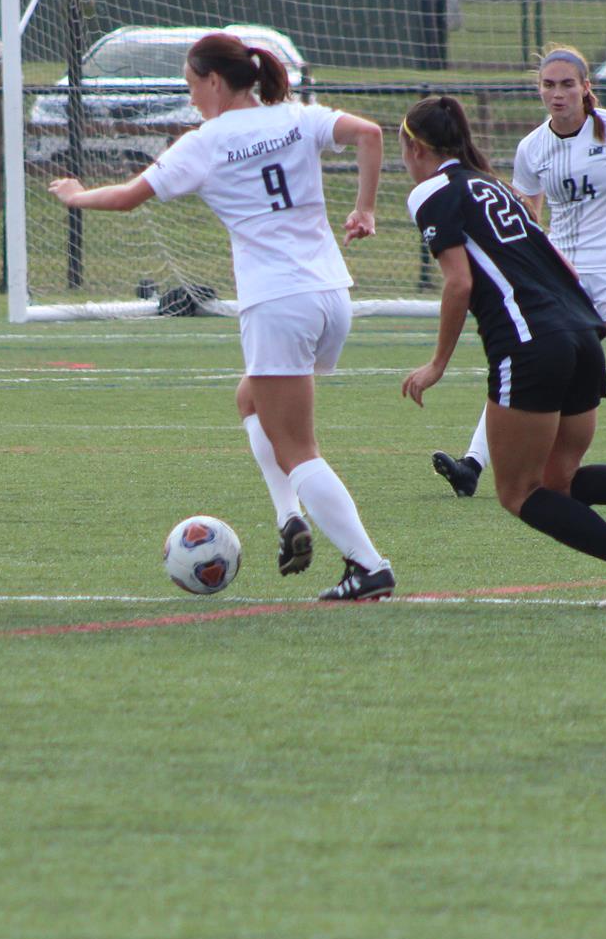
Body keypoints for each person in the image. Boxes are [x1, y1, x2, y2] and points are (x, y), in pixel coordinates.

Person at [47, 31, 396, 602]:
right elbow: (371, 133)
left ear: (213, 81)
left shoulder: (206, 141)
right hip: (331, 295)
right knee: (250, 400)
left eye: (191, 85)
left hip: (277, 302)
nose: (190, 98)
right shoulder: (297, 118)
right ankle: (290, 517)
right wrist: (364, 208)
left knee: (298, 449)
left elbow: (130, 196)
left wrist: (77, 195)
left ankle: (367, 564)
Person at [396, 95, 606, 609]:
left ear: (414, 147)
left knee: (518, 493)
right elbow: (558, 263)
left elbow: (458, 284)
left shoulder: (430, 192)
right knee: (560, 481)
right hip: (581, 333)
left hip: (531, 344)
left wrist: (437, 363)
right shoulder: (496, 187)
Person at [431, 45, 606, 497]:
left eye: (567, 84)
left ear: (586, 88)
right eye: (548, 85)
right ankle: (471, 465)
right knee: (529, 366)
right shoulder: (532, 147)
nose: (557, 94)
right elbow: (529, 213)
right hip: (562, 277)